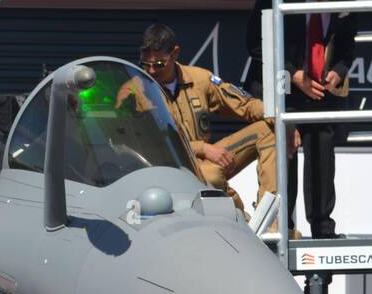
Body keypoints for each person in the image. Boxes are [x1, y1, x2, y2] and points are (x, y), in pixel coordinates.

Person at [247, 0, 358, 238]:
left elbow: (348, 39)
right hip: (281, 79)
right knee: (286, 149)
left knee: (322, 146)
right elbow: (256, 43)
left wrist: (339, 69)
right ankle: (284, 226)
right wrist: (294, 75)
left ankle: (323, 227)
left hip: (319, 85)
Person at [118, 23, 278, 221]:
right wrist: (202, 148)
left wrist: (280, 119)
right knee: (211, 175)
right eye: (145, 64)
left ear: (175, 53)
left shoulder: (199, 79)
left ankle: (270, 221)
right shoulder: (133, 93)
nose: (151, 71)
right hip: (169, 166)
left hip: (205, 159)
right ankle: (242, 219)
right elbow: (148, 143)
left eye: (159, 64)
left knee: (269, 130)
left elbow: (244, 104)